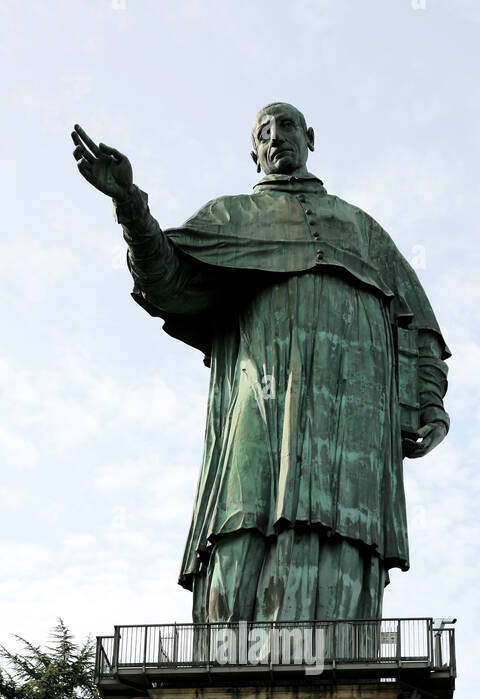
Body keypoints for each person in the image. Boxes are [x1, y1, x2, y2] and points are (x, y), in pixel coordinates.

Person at [71, 102, 450, 624]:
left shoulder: (360, 228)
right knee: (244, 510)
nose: (276, 138)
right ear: (254, 153)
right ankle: (232, 648)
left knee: (341, 520)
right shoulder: (230, 218)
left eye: (286, 126)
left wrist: (430, 403)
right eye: (264, 133)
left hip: (352, 412)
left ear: (310, 137)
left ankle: (336, 640)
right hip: (259, 390)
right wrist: (131, 206)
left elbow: (418, 324)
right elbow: (167, 279)